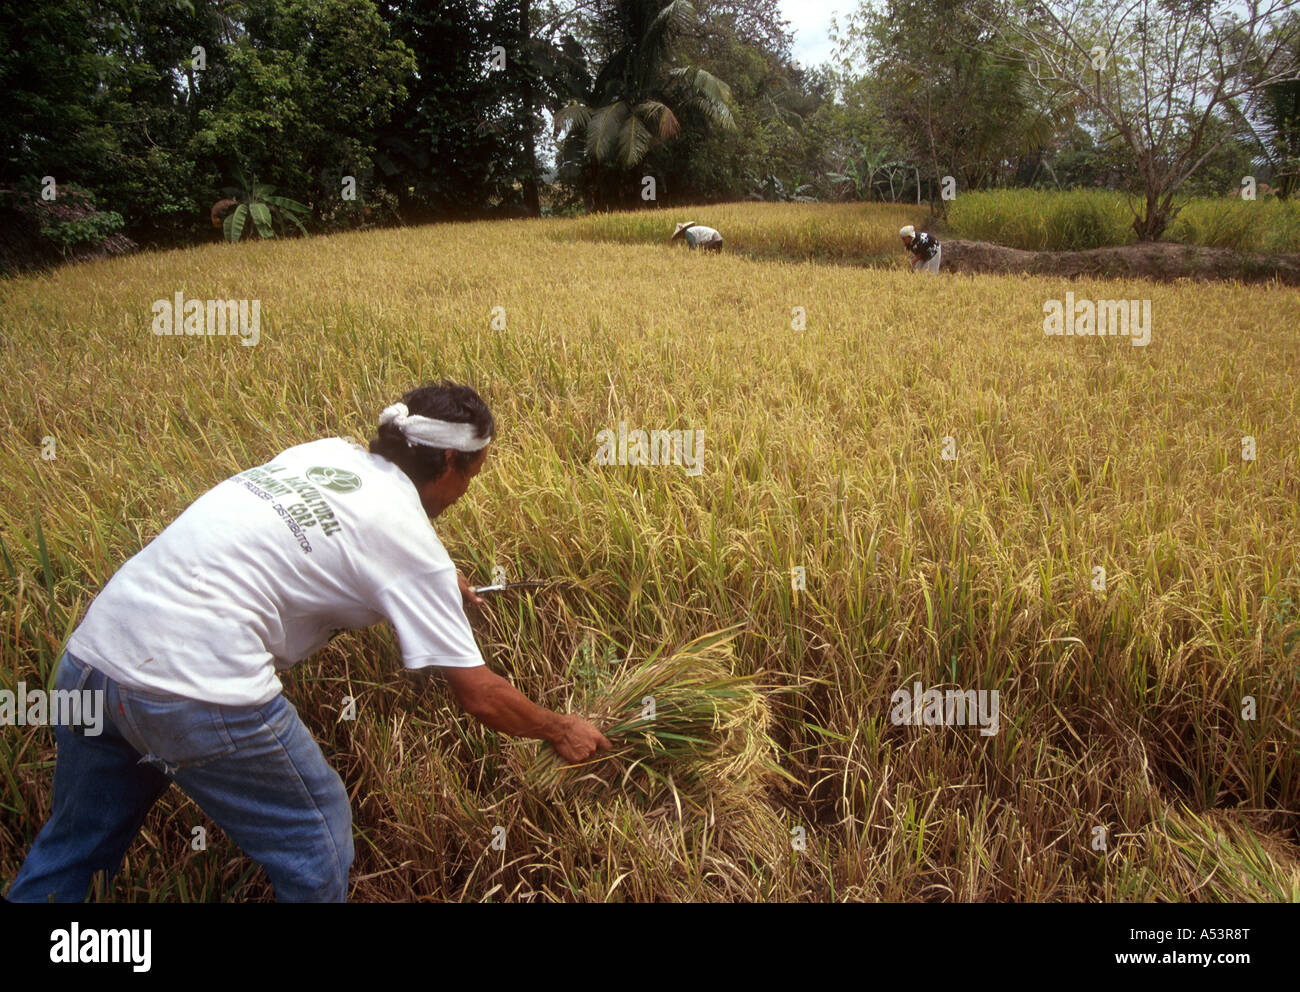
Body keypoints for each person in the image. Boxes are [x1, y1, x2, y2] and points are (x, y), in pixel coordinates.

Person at [5, 381, 611, 903]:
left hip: (94, 657)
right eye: (471, 476)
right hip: (196, 688)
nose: (464, 493)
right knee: (316, 830)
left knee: (77, 842)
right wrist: (560, 729)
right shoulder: (413, 546)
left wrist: (431, 580)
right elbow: (480, 696)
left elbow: (333, 535)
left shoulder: (322, 454)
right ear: (451, 464)